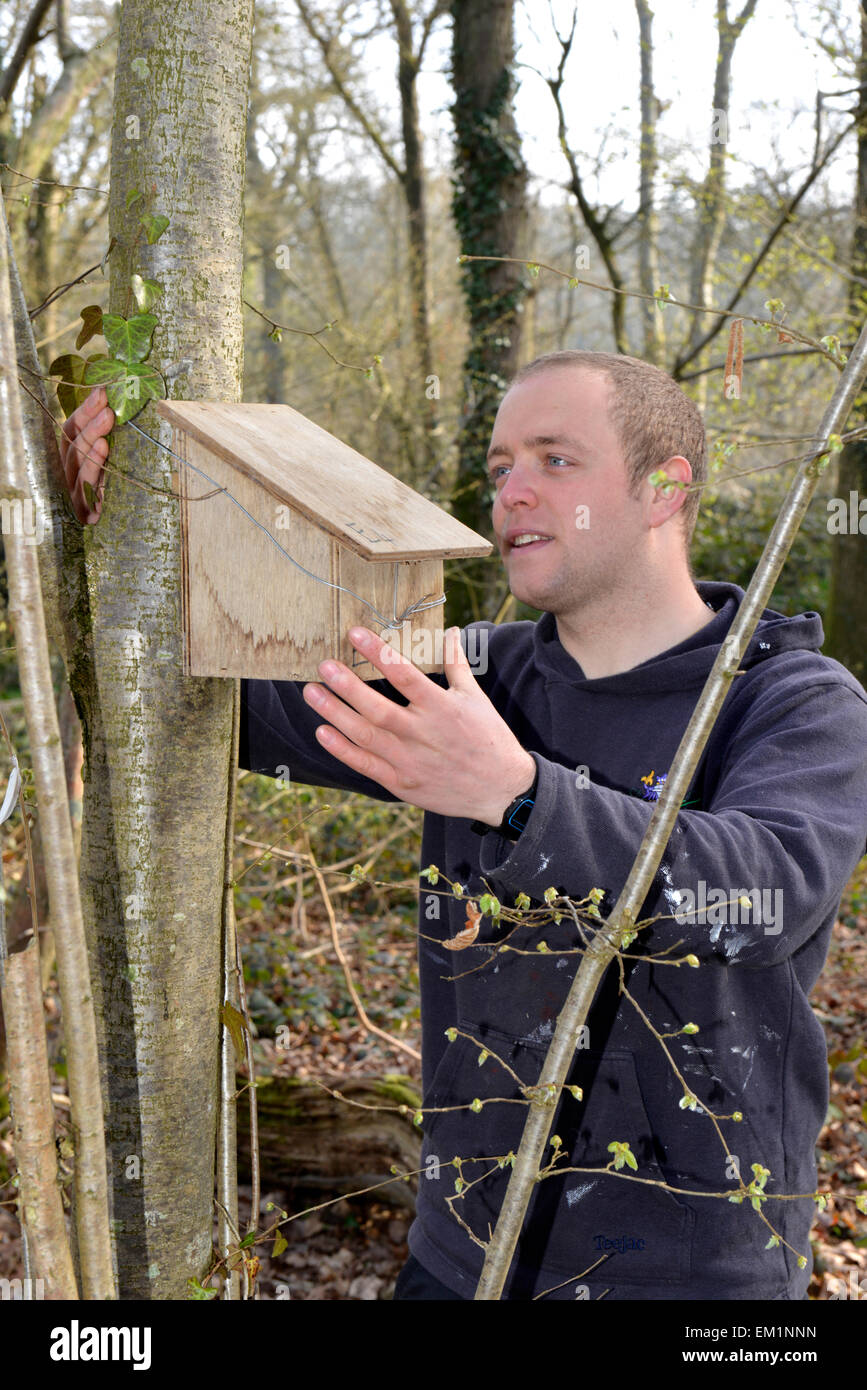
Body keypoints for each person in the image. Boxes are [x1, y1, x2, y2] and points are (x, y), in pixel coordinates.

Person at [60, 354, 867, 1301]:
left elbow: (767, 893)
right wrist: (119, 527)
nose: (511, 493)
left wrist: (518, 796)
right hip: (462, 1257)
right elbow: (223, 710)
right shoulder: (470, 675)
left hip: (693, 1278)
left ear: (662, 490)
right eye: (497, 468)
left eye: (554, 460)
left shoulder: (792, 700)